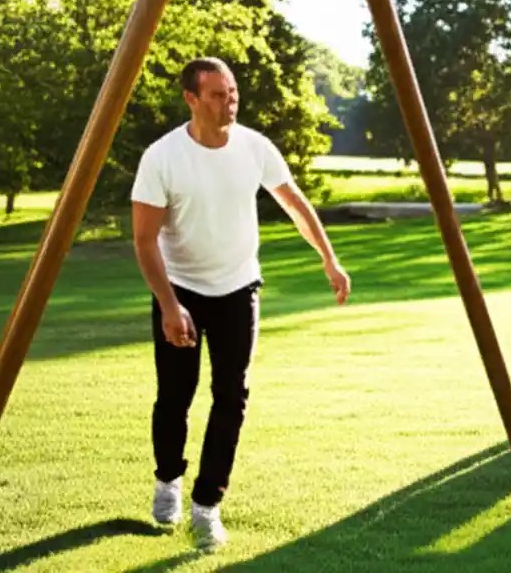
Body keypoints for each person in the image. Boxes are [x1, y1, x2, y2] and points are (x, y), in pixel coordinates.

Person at [130, 57, 351, 550]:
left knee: (232, 396)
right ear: (191, 98)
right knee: (176, 396)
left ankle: (207, 506)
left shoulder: (255, 147)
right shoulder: (162, 157)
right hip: (180, 289)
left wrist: (329, 261)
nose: (229, 102)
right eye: (217, 94)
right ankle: (168, 479)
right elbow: (145, 241)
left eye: (232, 92)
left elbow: (294, 202)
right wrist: (168, 305)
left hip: (238, 288)